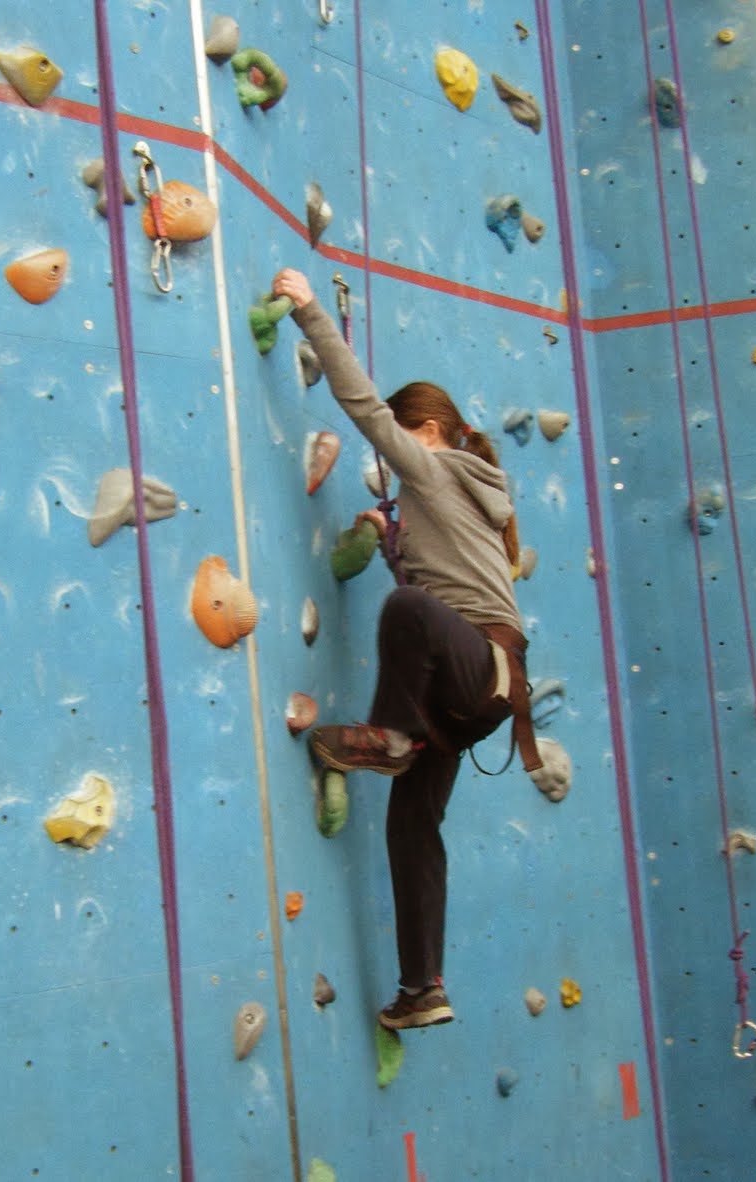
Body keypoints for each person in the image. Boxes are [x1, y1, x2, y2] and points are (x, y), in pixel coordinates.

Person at [272, 267, 543, 1031]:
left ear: (425, 432)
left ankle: (389, 735)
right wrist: (395, 543)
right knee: (411, 826)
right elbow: (448, 582)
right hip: (480, 690)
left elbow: (361, 404)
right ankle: (423, 988)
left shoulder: (435, 461)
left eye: (401, 449)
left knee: (408, 607)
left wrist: (310, 311)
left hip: (473, 664)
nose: (395, 469)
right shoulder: (476, 495)